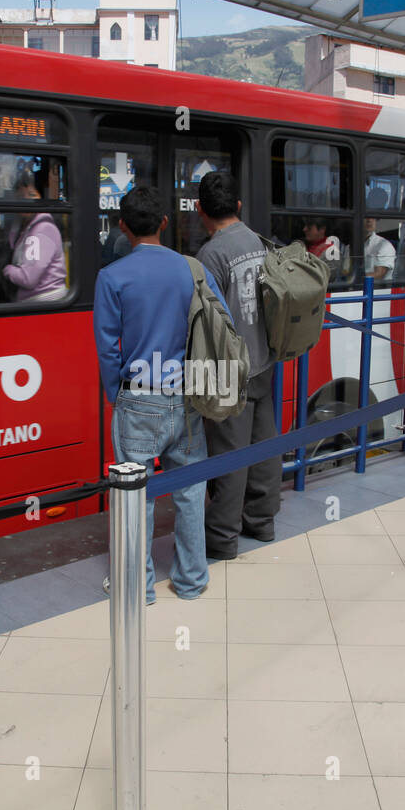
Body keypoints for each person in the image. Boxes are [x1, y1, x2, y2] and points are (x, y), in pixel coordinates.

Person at [93, 185, 214, 603]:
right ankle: (191, 580)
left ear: (123, 226)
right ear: (165, 223)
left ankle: (138, 587)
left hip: (138, 398)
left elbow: (108, 349)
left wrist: (118, 396)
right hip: (188, 396)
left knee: (134, 499)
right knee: (190, 491)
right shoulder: (193, 269)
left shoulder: (112, 277)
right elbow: (220, 326)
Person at [195, 170, 282, 559]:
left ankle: (222, 538)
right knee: (264, 447)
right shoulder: (259, 242)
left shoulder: (210, 255)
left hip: (231, 371)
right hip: (264, 360)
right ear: (239, 206)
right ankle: (262, 523)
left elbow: (205, 320)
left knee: (229, 455)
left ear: (200, 210)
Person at [2, 175, 66, 302]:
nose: (26, 201)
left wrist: (6, 269)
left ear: (42, 198)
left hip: (44, 301)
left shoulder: (42, 229)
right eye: (20, 197)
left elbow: (28, 278)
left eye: (32, 195)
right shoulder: (22, 226)